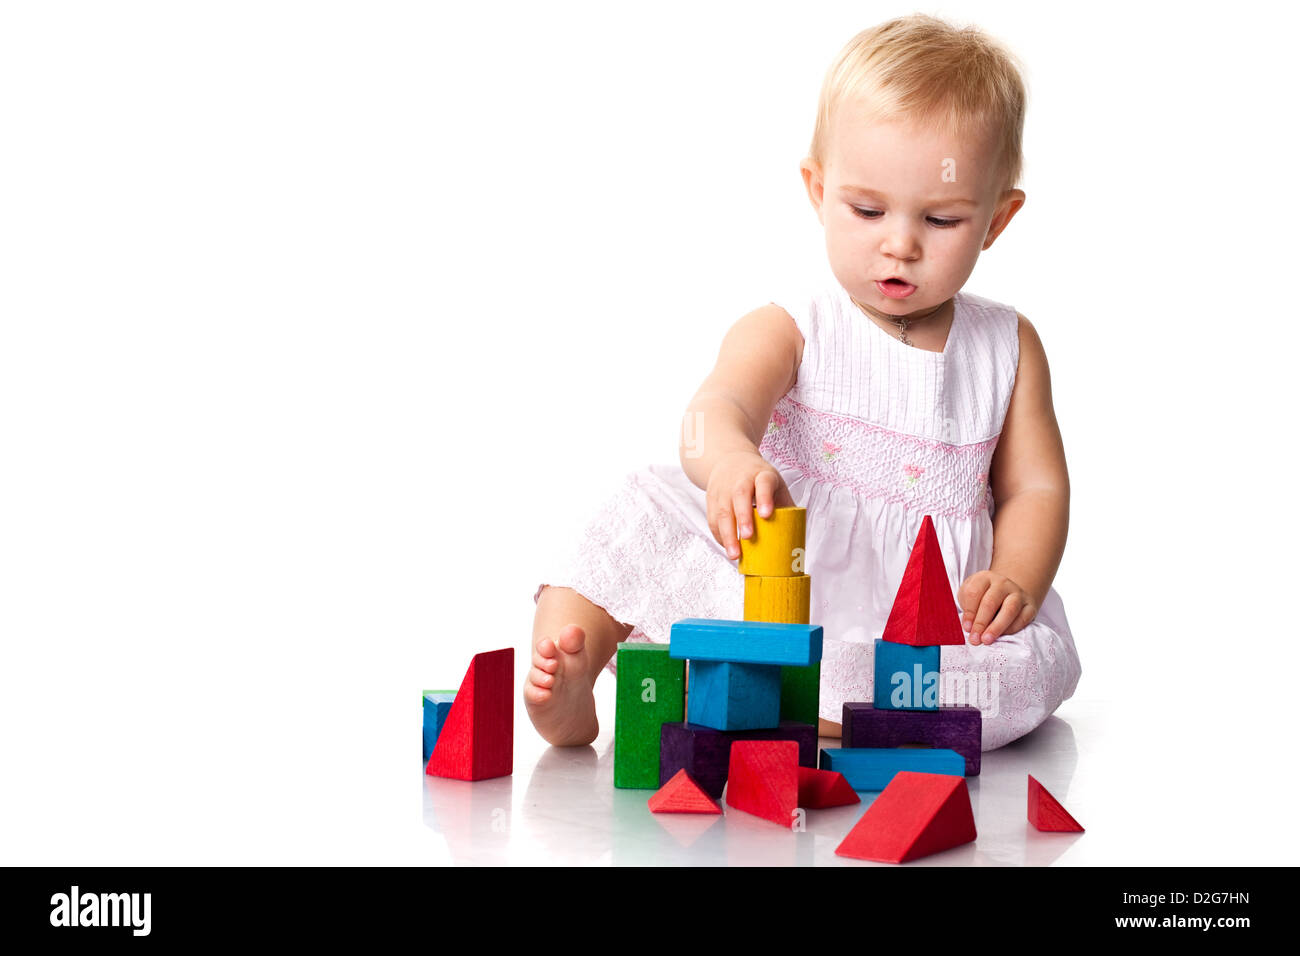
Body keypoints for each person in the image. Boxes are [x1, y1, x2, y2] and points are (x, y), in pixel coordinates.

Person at [524, 13, 1082, 751]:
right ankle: (575, 664)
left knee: (993, 679)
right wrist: (731, 461)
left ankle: (764, 703)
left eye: (942, 219)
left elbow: (1036, 488)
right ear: (818, 190)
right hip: (778, 574)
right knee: (633, 516)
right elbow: (715, 408)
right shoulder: (792, 326)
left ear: (997, 220)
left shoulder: (1007, 346)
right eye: (867, 209)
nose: (900, 243)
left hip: (922, 614)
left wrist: (1016, 575)